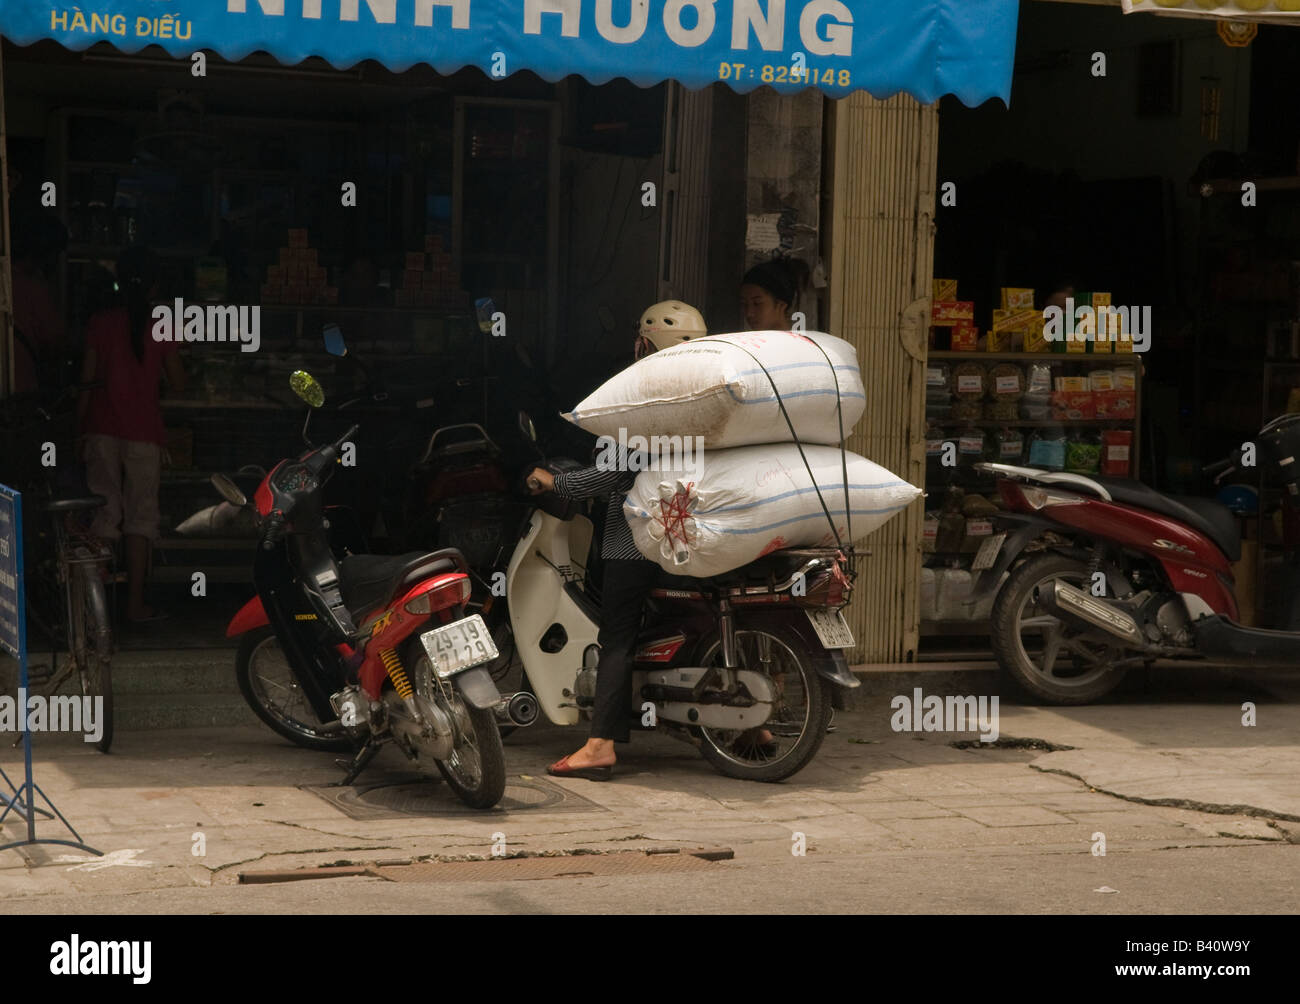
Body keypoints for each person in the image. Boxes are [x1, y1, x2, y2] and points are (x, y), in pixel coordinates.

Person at [529, 300, 761, 780]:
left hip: (639, 536)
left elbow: (611, 477)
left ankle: (599, 744)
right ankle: (754, 726)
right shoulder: (721, 397)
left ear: (644, 344)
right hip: (707, 529)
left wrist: (558, 484)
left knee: (617, 635)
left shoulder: (644, 397)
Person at [77, 247, 186, 623]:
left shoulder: (100, 321)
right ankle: (135, 604)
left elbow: (87, 383)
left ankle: (97, 611)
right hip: (144, 434)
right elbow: (179, 381)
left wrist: (77, 429)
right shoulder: (163, 323)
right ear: (155, 283)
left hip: (101, 430)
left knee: (105, 516)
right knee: (141, 519)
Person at [740, 258, 809, 331]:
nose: (749, 313)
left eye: (757, 303)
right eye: (744, 304)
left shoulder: (795, 342)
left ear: (781, 305)